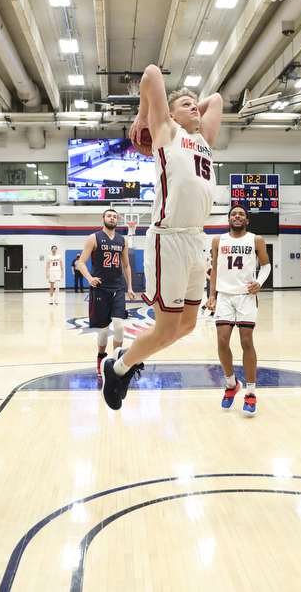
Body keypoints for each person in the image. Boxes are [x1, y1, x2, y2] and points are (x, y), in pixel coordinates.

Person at [98, 64, 223, 411]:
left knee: (186, 326)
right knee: (167, 330)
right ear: (169, 112)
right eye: (186, 104)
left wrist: (192, 102)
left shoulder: (204, 142)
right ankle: (118, 367)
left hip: (197, 240)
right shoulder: (166, 131)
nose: (195, 107)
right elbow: (151, 72)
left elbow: (218, 100)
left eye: (195, 105)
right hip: (168, 239)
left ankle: (129, 357)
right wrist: (143, 116)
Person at [207, 205, 271, 414]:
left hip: (246, 297)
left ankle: (251, 392)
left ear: (247, 220)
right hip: (224, 296)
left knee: (246, 342)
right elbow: (215, 268)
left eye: (241, 214)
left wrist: (259, 282)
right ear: (229, 219)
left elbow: (267, 266)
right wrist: (212, 295)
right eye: (234, 214)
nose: (237, 216)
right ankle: (231, 384)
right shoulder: (218, 240)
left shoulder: (256, 240)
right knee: (222, 341)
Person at [77, 209, 136, 375]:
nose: (112, 218)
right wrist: (89, 278)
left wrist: (130, 287)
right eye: (109, 216)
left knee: (119, 326)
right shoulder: (94, 238)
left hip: (118, 288)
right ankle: (101, 358)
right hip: (99, 289)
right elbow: (82, 262)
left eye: (115, 216)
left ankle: (117, 361)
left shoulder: (123, 240)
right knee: (103, 330)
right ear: (103, 219)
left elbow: (126, 266)